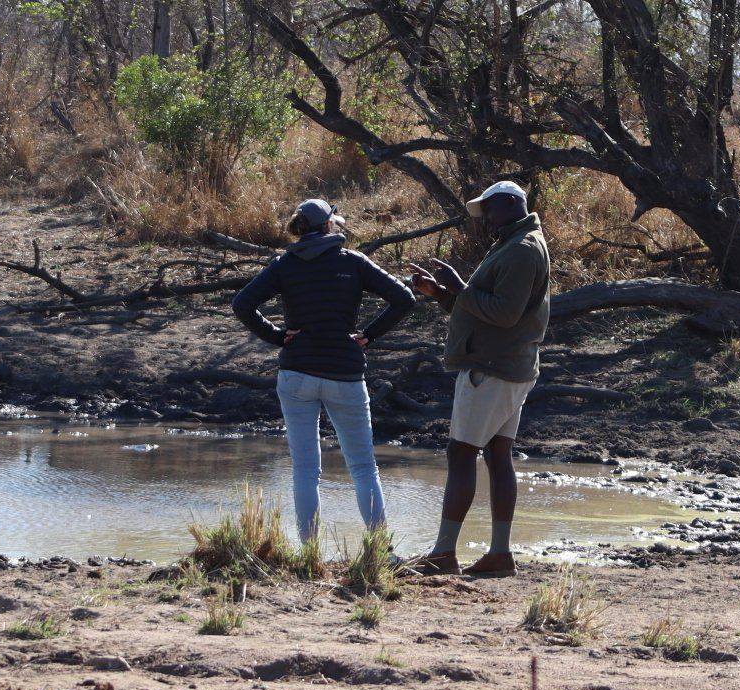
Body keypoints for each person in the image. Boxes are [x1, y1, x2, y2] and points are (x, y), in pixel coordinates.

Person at [231, 199, 415, 547]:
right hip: (345, 374)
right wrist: (369, 335)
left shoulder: (285, 264)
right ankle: (381, 550)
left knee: (305, 470)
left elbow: (242, 304)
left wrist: (277, 337)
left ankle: (309, 552)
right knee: (363, 468)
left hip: (297, 374)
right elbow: (404, 298)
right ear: (329, 225)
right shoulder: (353, 262)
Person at [406, 181, 551, 578]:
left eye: (489, 209)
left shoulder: (522, 249)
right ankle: (499, 554)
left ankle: (443, 553)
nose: (485, 218)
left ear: (511, 203)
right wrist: (443, 295)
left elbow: (504, 314)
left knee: (461, 453)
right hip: (508, 364)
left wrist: (458, 287)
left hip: (492, 367)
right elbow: (486, 307)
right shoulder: (516, 242)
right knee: (497, 455)